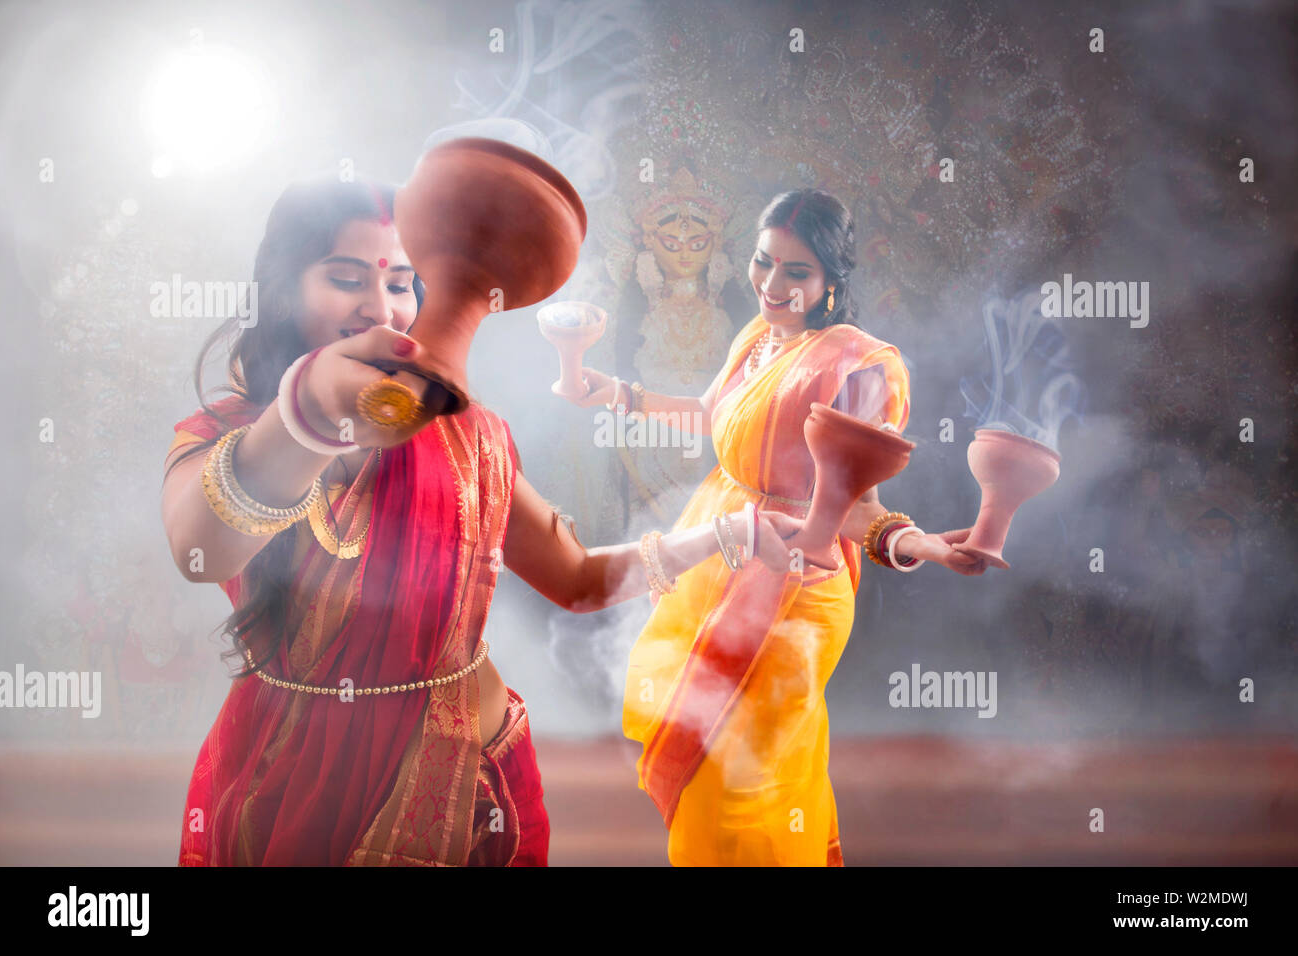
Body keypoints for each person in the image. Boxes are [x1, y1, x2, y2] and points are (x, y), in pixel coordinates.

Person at [162, 174, 793, 866]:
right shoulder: (228, 435)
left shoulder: (472, 435)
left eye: (402, 283)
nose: (380, 308)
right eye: (346, 279)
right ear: (283, 289)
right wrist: (308, 415)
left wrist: (728, 535)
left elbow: (579, 581)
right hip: (293, 785)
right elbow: (203, 551)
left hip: (475, 790)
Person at [564, 188, 987, 866]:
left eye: (797, 272)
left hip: (795, 585)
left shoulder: (860, 366)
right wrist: (616, 395)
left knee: (751, 785)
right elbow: (713, 416)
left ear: (831, 281)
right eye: (764, 264)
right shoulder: (759, 335)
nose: (772, 284)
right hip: (719, 552)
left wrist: (920, 545)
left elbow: (858, 505)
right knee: (704, 768)